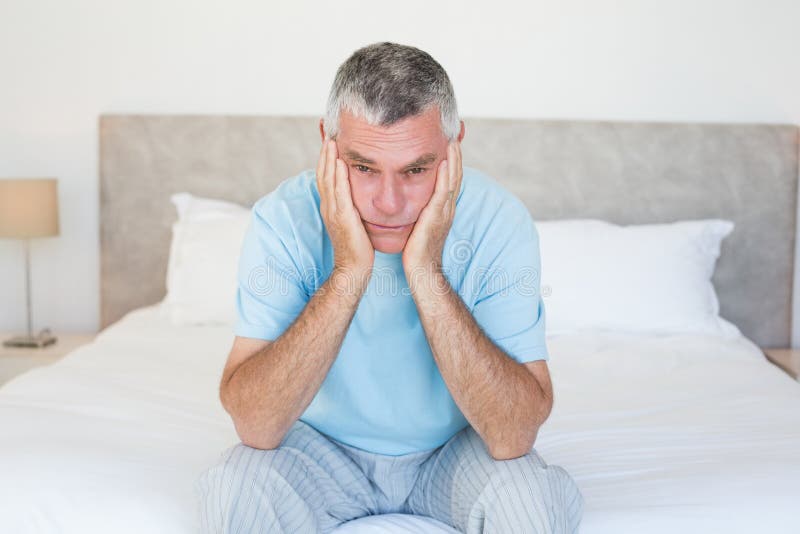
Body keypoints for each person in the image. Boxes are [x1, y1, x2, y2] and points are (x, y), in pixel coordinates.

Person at [196, 41, 583, 534]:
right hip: (319, 450)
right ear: (327, 143)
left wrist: (425, 270)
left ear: (454, 146)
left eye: (417, 170)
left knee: (531, 501)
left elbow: (512, 437)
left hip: (455, 451)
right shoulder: (283, 219)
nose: (388, 202)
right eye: (363, 168)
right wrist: (348, 271)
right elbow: (257, 426)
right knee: (234, 491)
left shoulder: (498, 219)